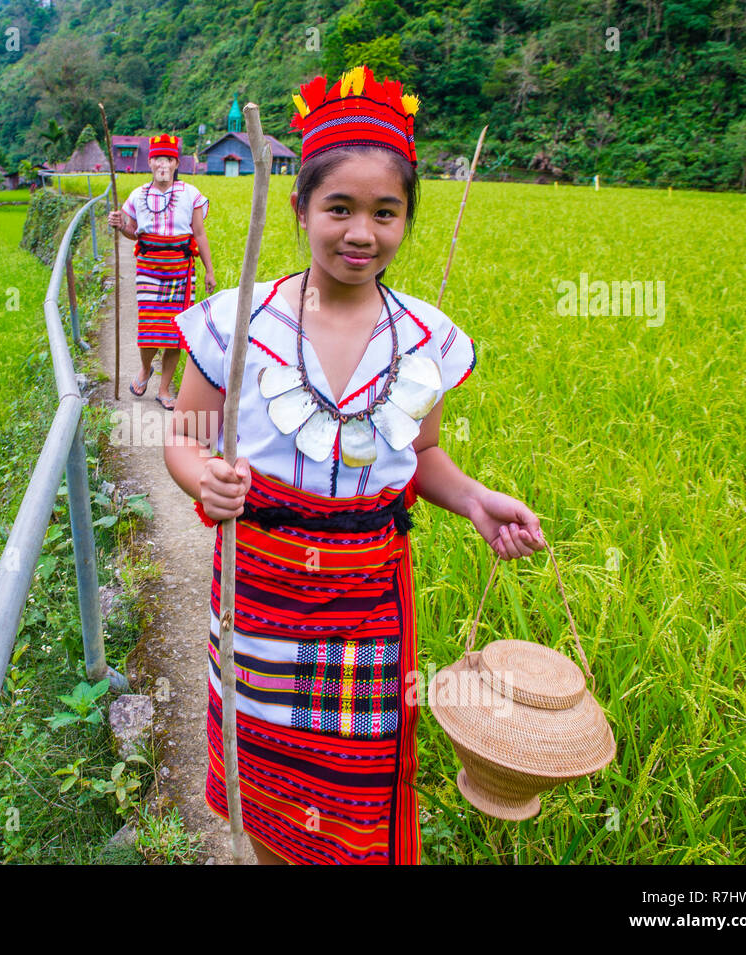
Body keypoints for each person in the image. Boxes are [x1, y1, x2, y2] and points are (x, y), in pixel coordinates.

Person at [163, 65, 547, 865]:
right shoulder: (233, 319)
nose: (360, 233)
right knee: (265, 777)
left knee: (356, 789)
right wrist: (204, 477)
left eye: (385, 212)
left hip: (366, 608)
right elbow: (184, 435)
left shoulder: (428, 339)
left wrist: (475, 500)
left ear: (407, 218)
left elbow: (426, 454)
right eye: (339, 207)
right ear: (301, 207)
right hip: (260, 592)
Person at [107, 134, 215, 410]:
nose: (162, 164)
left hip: (180, 269)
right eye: (157, 159)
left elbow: (200, 235)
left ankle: (164, 389)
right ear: (150, 162)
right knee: (149, 326)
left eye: (168, 159)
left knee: (175, 331)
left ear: (176, 163)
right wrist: (121, 225)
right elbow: (133, 233)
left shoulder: (191, 195)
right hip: (149, 268)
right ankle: (145, 369)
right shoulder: (137, 196)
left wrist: (209, 271)